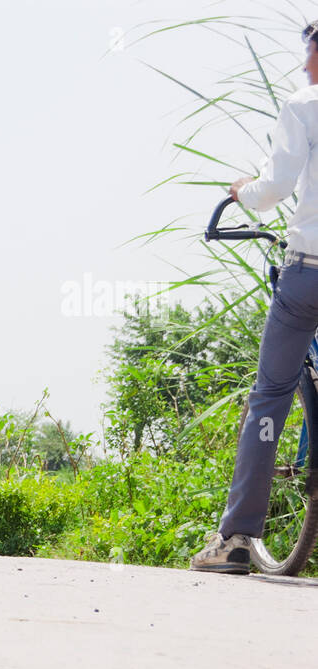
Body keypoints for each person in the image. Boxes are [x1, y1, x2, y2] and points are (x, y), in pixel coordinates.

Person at [192, 21, 318, 573]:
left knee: (270, 396)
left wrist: (241, 190)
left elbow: (274, 192)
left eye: (308, 57)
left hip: (309, 275)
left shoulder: (305, 104)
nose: (304, 68)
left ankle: (238, 538)